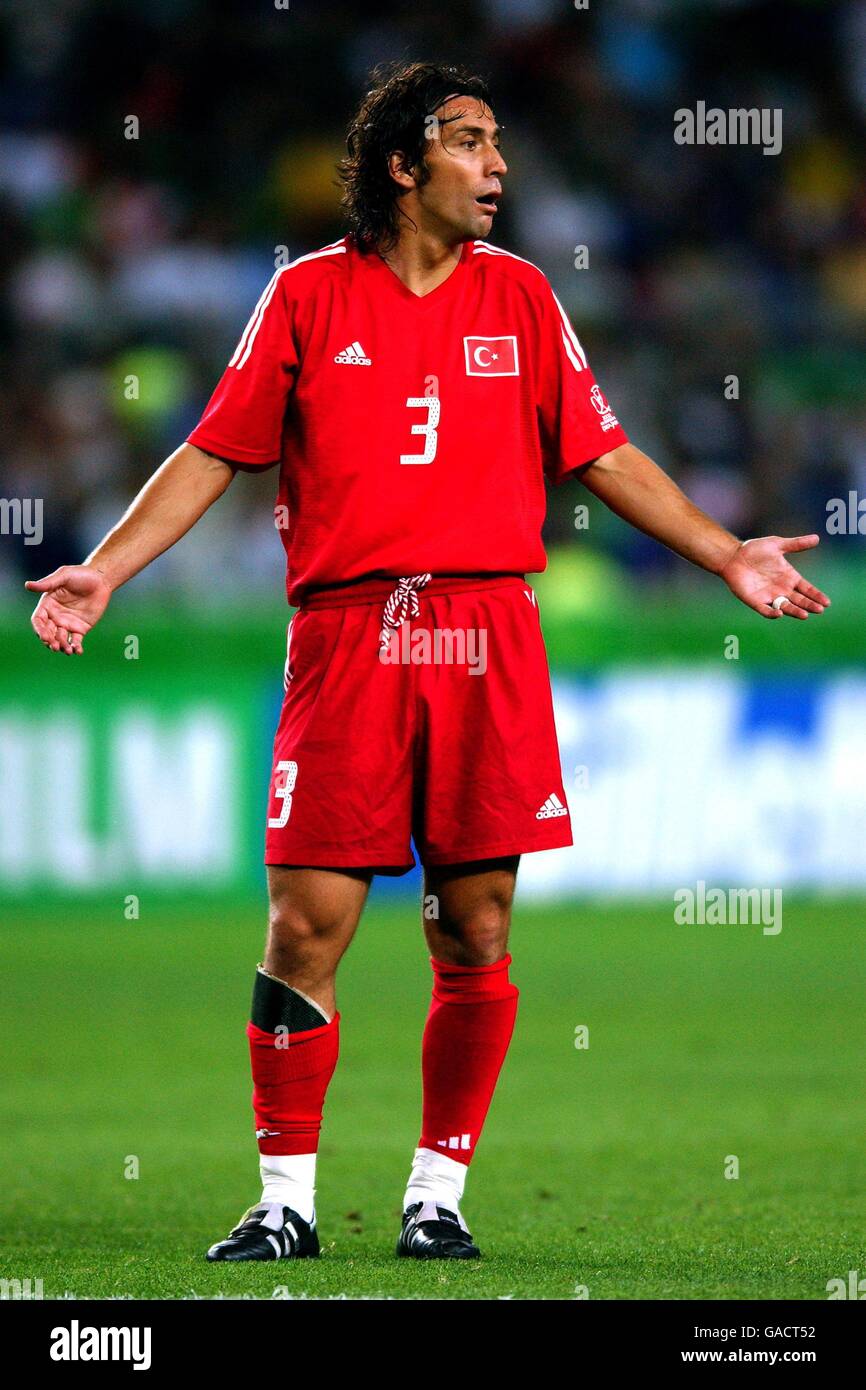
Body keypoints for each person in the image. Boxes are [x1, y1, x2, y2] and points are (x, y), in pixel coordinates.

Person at [26, 61, 830, 1263]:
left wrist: (723, 555)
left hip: (482, 631)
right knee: (306, 924)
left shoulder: (519, 298)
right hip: (348, 634)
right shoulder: (304, 297)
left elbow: (603, 455)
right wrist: (106, 567)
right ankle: (284, 1199)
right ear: (403, 165)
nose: (498, 166)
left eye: (498, 143)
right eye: (470, 142)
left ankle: (434, 1195)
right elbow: (213, 447)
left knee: (476, 922)